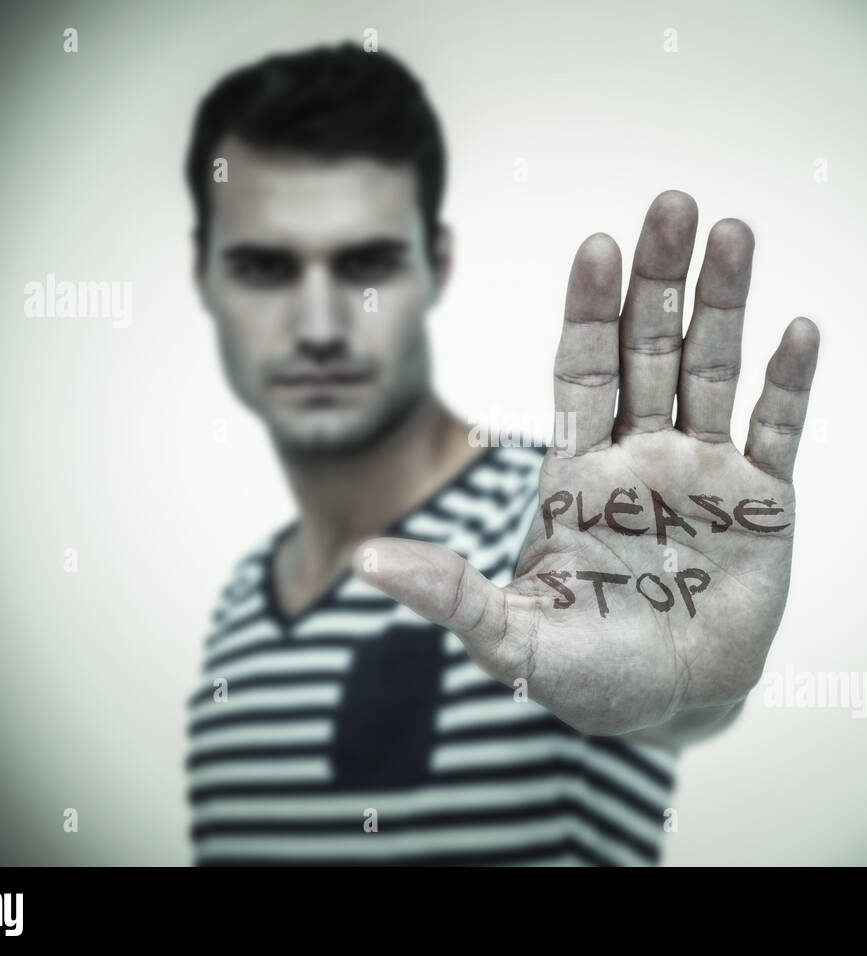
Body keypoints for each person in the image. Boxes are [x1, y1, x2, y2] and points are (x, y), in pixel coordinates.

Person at [184, 42, 820, 866]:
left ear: (435, 266)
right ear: (204, 278)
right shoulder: (242, 601)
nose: (318, 324)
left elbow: (667, 703)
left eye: (366, 263)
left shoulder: (577, 517)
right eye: (264, 266)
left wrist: (688, 692)